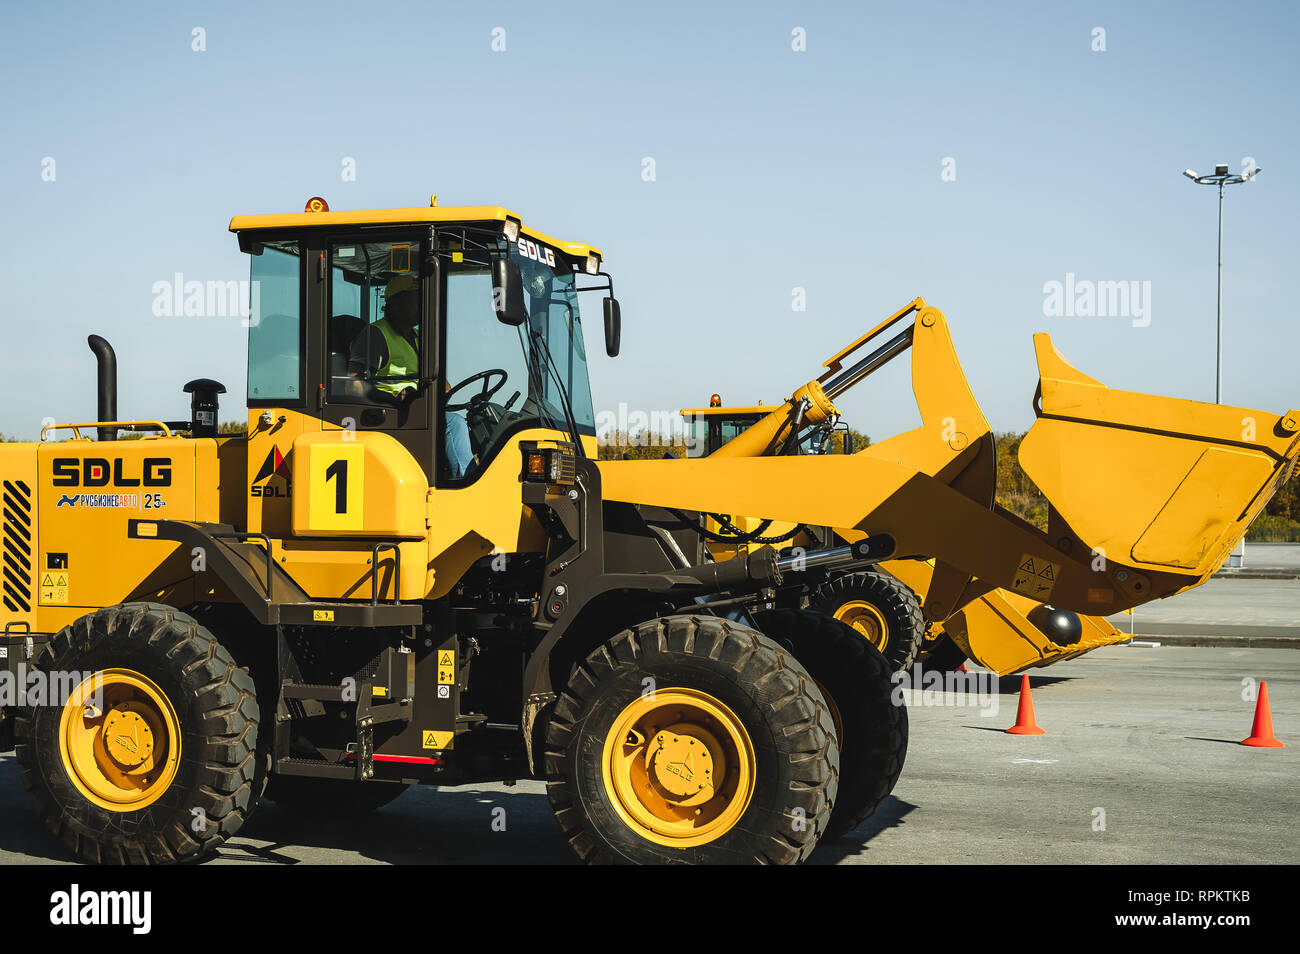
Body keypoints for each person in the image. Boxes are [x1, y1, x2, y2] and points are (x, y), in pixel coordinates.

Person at [350, 275, 421, 401]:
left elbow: (442, 383)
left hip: (420, 407)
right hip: (388, 412)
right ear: (396, 303)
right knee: (455, 421)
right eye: (416, 298)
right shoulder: (375, 335)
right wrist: (395, 399)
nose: (423, 305)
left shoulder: (421, 337)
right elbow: (354, 385)